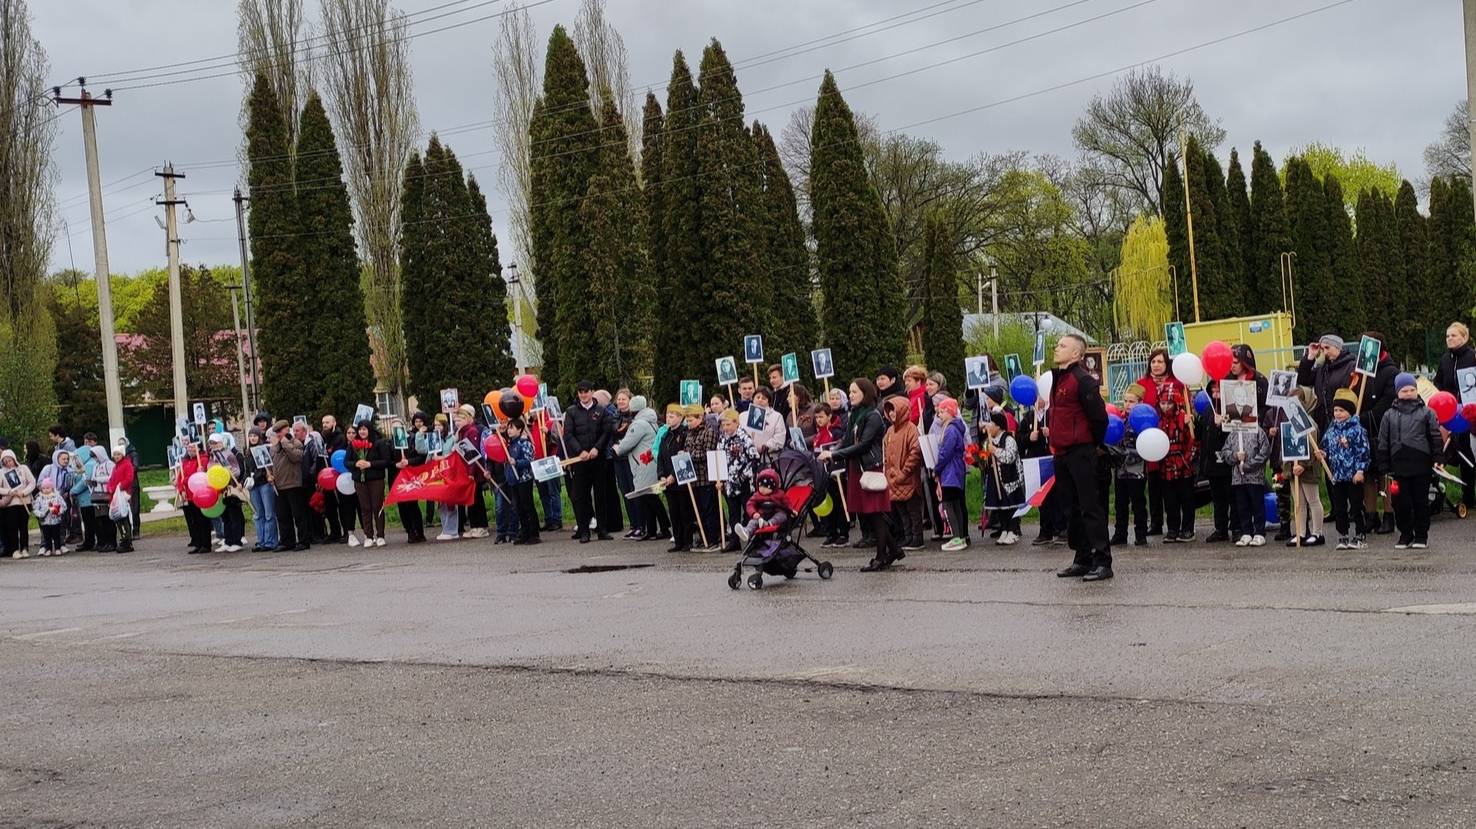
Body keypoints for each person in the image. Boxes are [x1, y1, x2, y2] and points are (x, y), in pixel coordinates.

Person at [1049, 336, 1111, 581]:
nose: (1057, 348)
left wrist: (1091, 444)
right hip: (1061, 452)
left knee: (1089, 507)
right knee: (1071, 508)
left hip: (1080, 451)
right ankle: (1082, 557)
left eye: (1063, 346)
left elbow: (1099, 417)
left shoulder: (1082, 380)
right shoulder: (1058, 377)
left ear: (1076, 354)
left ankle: (1102, 560)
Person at [819, 379, 895, 572]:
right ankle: (893, 549)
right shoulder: (856, 415)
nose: (850, 395)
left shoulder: (873, 416)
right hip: (857, 467)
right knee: (869, 513)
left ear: (865, 393)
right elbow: (846, 440)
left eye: (854, 391)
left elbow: (864, 444)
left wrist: (835, 454)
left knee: (876, 513)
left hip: (870, 467)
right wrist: (832, 451)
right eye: (850, 391)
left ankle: (881, 556)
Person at [1377, 373, 1442, 550]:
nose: (1408, 393)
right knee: (1400, 503)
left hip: (1421, 464)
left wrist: (1438, 457)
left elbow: (1435, 436)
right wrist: (1383, 464)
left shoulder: (1427, 412)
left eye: (1412, 389)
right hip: (1398, 466)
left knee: (1421, 502)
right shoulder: (1388, 415)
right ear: (1397, 392)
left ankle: (1421, 535)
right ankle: (1405, 534)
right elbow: (1383, 441)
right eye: (1404, 390)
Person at [1354, 331, 1400, 535]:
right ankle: (1371, 516)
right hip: (1365, 431)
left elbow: (1388, 399)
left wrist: (1367, 416)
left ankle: (1389, 515)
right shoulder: (1362, 371)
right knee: (1368, 473)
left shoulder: (1390, 371)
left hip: (1383, 429)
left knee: (1385, 474)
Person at [1135, 348, 1184, 537]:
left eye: (1160, 362)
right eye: (1153, 362)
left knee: (1172, 484)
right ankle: (1155, 522)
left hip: (1171, 438)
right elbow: (1133, 404)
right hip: (1149, 438)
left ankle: (1175, 522)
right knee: (1153, 481)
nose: (1156, 365)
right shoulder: (1141, 384)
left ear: (1167, 364)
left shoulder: (1176, 383)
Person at [1319, 388, 1370, 550]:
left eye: (1342, 410)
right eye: (1335, 410)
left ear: (1350, 411)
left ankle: (1360, 534)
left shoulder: (1357, 430)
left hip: (1353, 475)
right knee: (1340, 508)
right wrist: (1322, 453)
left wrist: (1360, 471)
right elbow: (1326, 447)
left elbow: (1363, 452)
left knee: (1356, 506)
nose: (1338, 414)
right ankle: (1342, 535)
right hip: (1337, 476)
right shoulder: (1331, 430)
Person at [563, 381, 613, 544]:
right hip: (580, 460)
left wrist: (597, 448)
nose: (583, 394)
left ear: (592, 392)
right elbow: (568, 435)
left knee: (601, 495)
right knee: (580, 496)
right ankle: (584, 531)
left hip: (597, 459)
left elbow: (606, 432)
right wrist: (580, 451)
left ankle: (603, 529)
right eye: (580, 392)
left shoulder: (601, 410)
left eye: (586, 391)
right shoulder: (571, 412)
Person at [1433, 322, 1476, 511]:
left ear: (1464, 337)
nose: (1449, 338)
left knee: (1470, 454)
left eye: (1453, 335)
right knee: (1453, 455)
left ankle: (1469, 495)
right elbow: (1438, 384)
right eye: (1447, 336)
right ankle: (1463, 496)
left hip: (1470, 414)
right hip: (1449, 416)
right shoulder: (1445, 359)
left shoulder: (1472, 357)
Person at [614, 395, 667, 542]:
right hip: (650, 463)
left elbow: (626, 444)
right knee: (650, 497)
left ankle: (663, 527)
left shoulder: (638, 424)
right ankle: (653, 530)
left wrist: (617, 447)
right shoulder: (650, 419)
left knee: (649, 497)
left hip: (643, 464)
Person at [1220, 413, 1271, 547]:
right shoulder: (1234, 433)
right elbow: (1225, 451)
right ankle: (1246, 532)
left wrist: (1250, 465)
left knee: (1257, 505)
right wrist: (1235, 456)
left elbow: (1265, 451)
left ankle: (1259, 532)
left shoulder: (1258, 431)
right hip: (1238, 478)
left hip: (1255, 477)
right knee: (1242, 506)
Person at [1284, 389, 1326, 547]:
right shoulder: (1288, 424)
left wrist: (1303, 464)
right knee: (1299, 502)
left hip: (1307, 469)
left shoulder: (1309, 423)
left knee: (1313, 500)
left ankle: (1318, 532)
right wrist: (1288, 466)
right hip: (1293, 469)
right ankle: (1301, 532)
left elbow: (1312, 446)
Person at [715, 408, 760, 552]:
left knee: (748, 511)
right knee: (733, 512)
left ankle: (751, 540)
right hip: (730, 482)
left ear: (736, 423)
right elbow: (719, 458)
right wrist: (720, 479)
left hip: (744, 482)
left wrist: (744, 476)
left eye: (728, 424)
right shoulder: (722, 439)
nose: (726, 428)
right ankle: (734, 541)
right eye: (723, 425)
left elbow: (754, 459)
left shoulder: (744, 438)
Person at [883, 395, 924, 551]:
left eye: (894, 410)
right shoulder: (889, 431)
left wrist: (904, 471)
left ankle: (917, 538)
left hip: (908, 478)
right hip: (893, 479)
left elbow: (915, 452)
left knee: (913, 511)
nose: (892, 414)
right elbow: (886, 454)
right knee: (902, 512)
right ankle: (908, 537)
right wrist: (889, 474)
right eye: (889, 411)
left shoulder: (911, 429)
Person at [1109, 386, 1148, 547]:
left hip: (1136, 470)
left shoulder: (1143, 421)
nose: (1127, 404)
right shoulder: (1121, 420)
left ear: (1140, 402)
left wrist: (1122, 452)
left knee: (1138, 503)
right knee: (1120, 503)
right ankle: (1120, 533)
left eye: (1131, 401)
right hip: (1120, 470)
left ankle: (1141, 533)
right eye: (1125, 401)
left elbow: (1145, 445)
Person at [1157, 393, 1198, 543]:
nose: (1165, 406)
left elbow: (1193, 441)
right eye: (1162, 403)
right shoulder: (1158, 421)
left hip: (1183, 466)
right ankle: (1172, 529)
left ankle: (1187, 529)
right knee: (1169, 501)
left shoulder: (1184, 418)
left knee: (1186, 499)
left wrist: (1186, 460)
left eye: (1169, 403)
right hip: (1165, 466)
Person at [1197, 382, 1234, 543]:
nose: (1215, 393)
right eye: (1213, 390)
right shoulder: (1207, 411)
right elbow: (1201, 435)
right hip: (1212, 463)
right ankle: (1221, 528)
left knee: (1232, 497)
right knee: (1218, 499)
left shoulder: (1232, 410)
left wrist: (1222, 425)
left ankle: (1237, 527)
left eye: (1219, 390)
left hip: (1227, 463)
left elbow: (1236, 432)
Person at [345, 420, 392, 547]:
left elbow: (386, 461)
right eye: (360, 429)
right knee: (365, 508)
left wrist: (370, 464)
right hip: (360, 481)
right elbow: (346, 462)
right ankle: (369, 536)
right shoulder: (353, 445)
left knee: (378, 507)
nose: (362, 432)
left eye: (364, 429)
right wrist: (356, 464)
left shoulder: (379, 443)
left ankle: (381, 535)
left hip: (376, 479)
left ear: (369, 430)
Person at [1297, 334, 1357, 432]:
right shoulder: (1322, 367)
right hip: (1322, 419)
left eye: (1327, 348)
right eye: (1322, 348)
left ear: (1337, 347)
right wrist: (1310, 357)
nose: (1324, 352)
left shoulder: (1350, 366)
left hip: (1341, 419)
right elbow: (1303, 380)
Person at [812, 403, 851, 548]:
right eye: (816, 417)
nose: (818, 420)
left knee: (839, 504)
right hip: (823, 474)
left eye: (821, 417)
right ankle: (831, 533)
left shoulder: (835, 432)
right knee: (827, 504)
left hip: (835, 474)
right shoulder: (818, 434)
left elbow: (838, 449)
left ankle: (843, 533)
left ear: (829, 416)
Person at [981, 411, 1024, 545]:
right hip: (995, 478)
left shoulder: (1009, 440)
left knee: (1011, 505)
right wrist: (984, 455)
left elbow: (1010, 457)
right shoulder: (989, 441)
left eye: (991, 424)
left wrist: (996, 451)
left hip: (1009, 479)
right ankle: (1004, 528)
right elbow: (984, 458)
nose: (988, 427)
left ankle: (1013, 530)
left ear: (998, 426)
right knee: (1000, 506)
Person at [683, 404, 721, 551]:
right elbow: (687, 449)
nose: (688, 422)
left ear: (700, 418)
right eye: (687, 419)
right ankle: (703, 537)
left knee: (709, 509)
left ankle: (713, 538)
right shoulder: (689, 433)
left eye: (691, 419)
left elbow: (708, 453)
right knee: (698, 511)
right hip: (693, 478)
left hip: (705, 477)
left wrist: (689, 456)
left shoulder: (709, 432)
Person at [934, 397, 970, 551]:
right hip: (956, 469)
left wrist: (937, 468)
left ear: (949, 412)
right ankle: (961, 535)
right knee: (956, 504)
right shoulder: (956, 428)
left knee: (949, 504)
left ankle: (956, 537)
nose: (939, 415)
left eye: (941, 412)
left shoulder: (950, 430)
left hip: (950, 471)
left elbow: (945, 453)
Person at [270, 420, 311, 551]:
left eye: (279, 431)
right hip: (279, 486)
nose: (277, 434)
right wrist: (269, 475)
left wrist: (285, 443)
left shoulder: (296, 443)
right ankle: (287, 541)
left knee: (298, 515)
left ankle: (304, 541)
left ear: (286, 430)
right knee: (283, 516)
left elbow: (297, 457)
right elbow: (273, 464)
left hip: (293, 484)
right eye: (276, 432)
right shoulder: (275, 447)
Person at [499, 418, 540, 545]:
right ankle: (525, 532)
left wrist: (516, 462)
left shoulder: (524, 443)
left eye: (512, 428)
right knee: (519, 507)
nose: (509, 430)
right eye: (509, 428)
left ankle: (534, 533)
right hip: (513, 479)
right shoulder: (510, 444)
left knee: (527, 505)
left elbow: (529, 460)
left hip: (524, 479)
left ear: (520, 429)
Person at [656, 404, 691, 551]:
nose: (668, 418)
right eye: (668, 415)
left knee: (684, 512)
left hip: (680, 480)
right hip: (667, 481)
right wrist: (662, 475)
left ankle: (687, 541)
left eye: (672, 416)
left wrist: (673, 476)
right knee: (674, 512)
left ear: (680, 417)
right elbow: (660, 457)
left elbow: (682, 457)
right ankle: (678, 540)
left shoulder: (684, 434)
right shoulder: (665, 435)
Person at [454, 405, 491, 538]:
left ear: (468, 418)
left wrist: (471, 472)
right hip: (467, 471)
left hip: (475, 472)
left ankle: (481, 526)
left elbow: (473, 454)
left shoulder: (472, 431)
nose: (457, 423)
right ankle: (474, 525)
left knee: (477, 500)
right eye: (456, 420)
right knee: (471, 500)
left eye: (460, 420)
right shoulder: (461, 432)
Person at [244, 427, 279, 552]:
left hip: (264, 484)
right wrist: (245, 481)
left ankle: (270, 541)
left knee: (269, 513)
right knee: (258, 514)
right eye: (250, 436)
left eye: (255, 436)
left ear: (259, 437)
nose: (252, 438)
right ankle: (261, 540)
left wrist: (267, 475)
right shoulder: (247, 452)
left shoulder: (265, 449)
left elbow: (268, 466)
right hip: (254, 486)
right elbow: (247, 470)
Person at [733, 468, 790, 543]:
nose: (762, 489)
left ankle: (768, 524)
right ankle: (747, 532)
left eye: (766, 487)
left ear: (773, 487)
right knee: (753, 522)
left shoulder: (780, 494)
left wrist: (791, 510)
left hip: (776, 513)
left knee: (781, 516)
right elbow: (750, 504)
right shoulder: (757, 495)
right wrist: (754, 513)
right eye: (760, 486)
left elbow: (787, 504)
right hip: (762, 516)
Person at [176, 441, 213, 554]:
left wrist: (185, 480)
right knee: (194, 521)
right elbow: (180, 478)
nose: (190, 449)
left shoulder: (202, 460)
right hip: (188, 495)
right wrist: (181, 489)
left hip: (199, 494)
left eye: (193, 447)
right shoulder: (185, 461)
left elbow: (196, 477)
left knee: (202, 520)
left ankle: (206, 544)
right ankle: (197, 543)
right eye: (189, 447)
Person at [0, 448, 36, 558]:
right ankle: (14, 549)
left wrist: (24, 492)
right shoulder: (1, 472)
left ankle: (25, 548)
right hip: (11, 504)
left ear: (14, 459)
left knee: (23, 526)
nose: (8, 463)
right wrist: (9, 492)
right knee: (12, 527)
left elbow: (32, 482)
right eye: (5, 462)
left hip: (24, 501)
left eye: (9, 460)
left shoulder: (23, 468)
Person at [319, 414, 349, 544]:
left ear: (334, 423)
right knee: (329, 507)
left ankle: (347, 531)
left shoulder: (340, 438)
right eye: (323, 423)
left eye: (327, 422)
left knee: (342, 506)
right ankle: (334, 532)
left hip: (338, 476)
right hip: (326, 477)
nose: (325, 425)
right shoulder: (322, 439)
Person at [107, 444, 137, 553]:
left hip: (123, 493)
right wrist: (110, 488)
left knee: (123, 517)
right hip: (115, 494)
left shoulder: (127, 464)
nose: (116, 456)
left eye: (118, 454)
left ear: (122, 454)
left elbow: (129, 479)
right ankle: (124, 539)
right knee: (118, 518)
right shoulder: (116, 466)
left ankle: (127, 540)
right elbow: (111, 479)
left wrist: (118, 487)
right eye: (115, 454)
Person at [87, 446, 116, 552]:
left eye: (95, 456)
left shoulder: (109, 464)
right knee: (100, 521)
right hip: (97, 495)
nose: (95, 458)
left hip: (106, 494)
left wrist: (98, 479)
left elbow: (112, 477)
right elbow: (94, 477)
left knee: (108, 520)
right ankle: (103, 542)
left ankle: (112, 542)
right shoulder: (96, 466)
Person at [744, 387, 787, 459]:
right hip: (746, 457)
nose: (760, 400)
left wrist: (764, 447)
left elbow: (779, 438)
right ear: (753, 398)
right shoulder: (743, 416)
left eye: (764, 398)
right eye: (758, 397)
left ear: (768, 401)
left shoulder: (777, 417)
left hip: (767, 458)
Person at [31, 477, 67, 557]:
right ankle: (48, 549)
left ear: (52, 488)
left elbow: (63, 506)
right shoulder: (39, 498)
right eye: (43, 488)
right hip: (45, 522)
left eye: (48, 488)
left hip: (55, 520)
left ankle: (57, 548)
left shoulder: (57, 497)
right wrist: (42, 514)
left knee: (56, 535)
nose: (46, 490)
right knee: (47, 536)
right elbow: (36, 509)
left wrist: (59, 512)